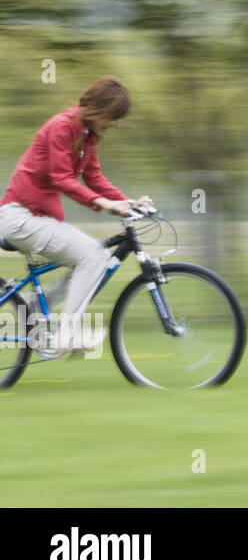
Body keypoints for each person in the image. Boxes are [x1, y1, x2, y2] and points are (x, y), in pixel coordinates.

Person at [0, 77, 149, 354]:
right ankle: (66, 336)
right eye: (114, 117)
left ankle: (33, 306)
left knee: (96, 260)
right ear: (100, 109)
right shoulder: (61, 126)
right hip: (19, 217)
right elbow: (61, 179)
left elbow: (93, 176)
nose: (115, 123)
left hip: (37, 218)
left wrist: (127, 201)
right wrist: (104, 203)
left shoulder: (90, 136)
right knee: (93, 256)